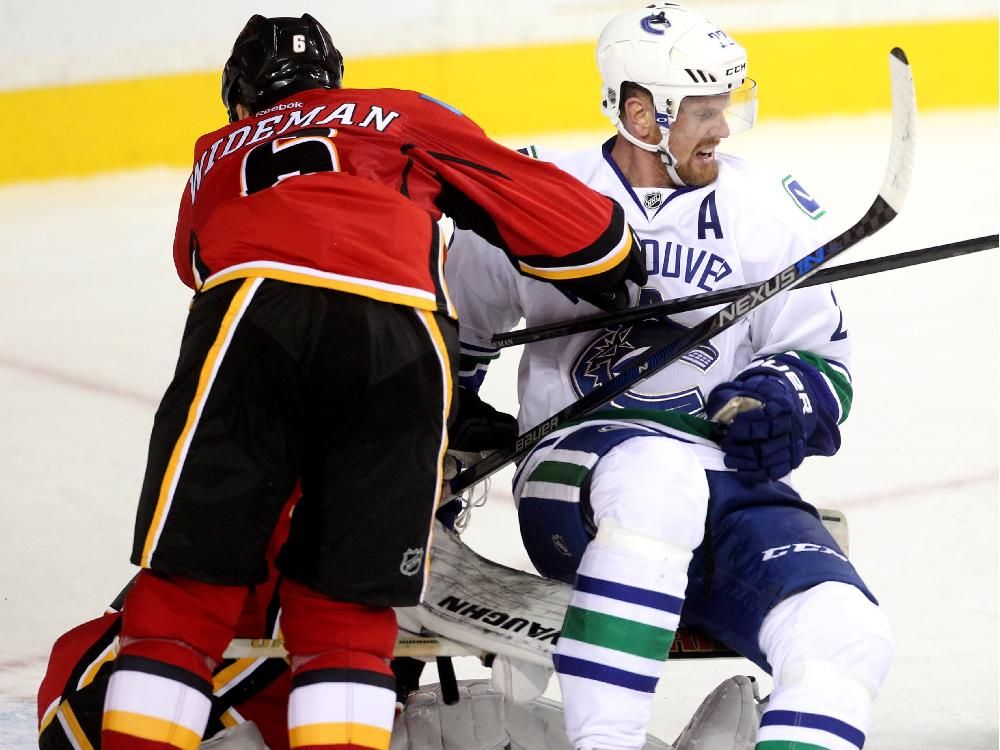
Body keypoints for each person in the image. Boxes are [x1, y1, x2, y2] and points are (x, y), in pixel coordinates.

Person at [96, 12, 647, 750]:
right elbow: (581, 231)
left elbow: (196, 267)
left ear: (238, 99)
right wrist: (615, 266)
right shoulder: (399, 112)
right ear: (334, 80)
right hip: (400, 334)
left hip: (251, 317)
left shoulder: (210, 157)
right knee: (348, 608)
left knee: (188, 589)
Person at [446, 4, 893, 749]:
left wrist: (779, 397)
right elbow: (447, 335)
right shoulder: (537, 193)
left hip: (719, 475)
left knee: (845, 634)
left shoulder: (767, 208)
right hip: (580, 472)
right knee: (658, 482)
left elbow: (823, 362)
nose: (723, 126)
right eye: (703, 110)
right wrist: (452, 411)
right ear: (639, 112)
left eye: (728, 105)